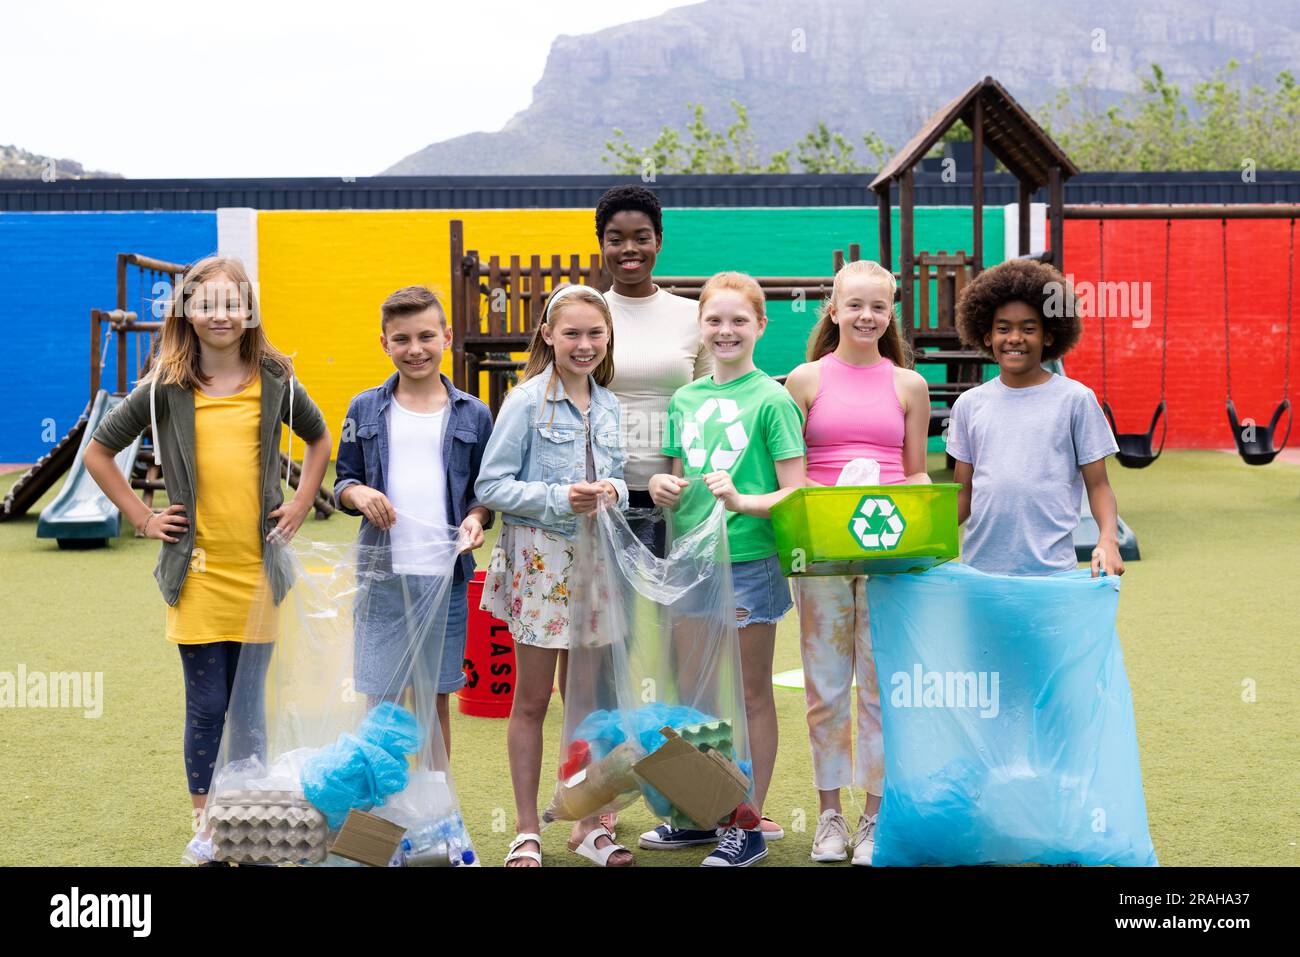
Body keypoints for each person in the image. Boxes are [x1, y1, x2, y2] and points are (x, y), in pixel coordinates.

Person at [83, 255, 331, 865]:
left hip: (258, 572)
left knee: (249, 707)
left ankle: (245, 818)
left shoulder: (275, 378)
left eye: (233, 302)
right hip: (196, 575)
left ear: (249, 311)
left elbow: (320, 437)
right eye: (206, 302)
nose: (221, 314)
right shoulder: (165, 385)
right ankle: (205, 824)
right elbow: (99, 451)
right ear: (186, 312)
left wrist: (301, 503)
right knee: (207, 706)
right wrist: (143, 519)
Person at [646, 271, 806, 866]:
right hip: (690, 563)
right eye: (715, 319)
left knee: (749, 693)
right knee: (694, 692)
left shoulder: (774, 399)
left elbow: (795, 491)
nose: (726, 330)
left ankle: (749, 823)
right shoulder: (685, 399)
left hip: (748, 564)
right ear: (701, 327)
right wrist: (660, 486)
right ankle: (702, 812)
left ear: (761, 325)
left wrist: (742, 502)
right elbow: (674, 477)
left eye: (740, 320)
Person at [475, 283, 632, 867]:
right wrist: (560, 496)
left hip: (599, 565)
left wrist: (612, 489)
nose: (584, 344)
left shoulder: (611, 404)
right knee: (533, 700)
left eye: (595, 333)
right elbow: (490, 487)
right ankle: (525, 829)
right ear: (548, 335)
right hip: (541, 564)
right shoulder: (525, 402)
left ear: (608, 336)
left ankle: (589, 825)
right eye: (572, 333)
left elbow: (617, 476)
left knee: (591, 703)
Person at [784, 259, 932, 865]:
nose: (867, 316)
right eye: (855, 305)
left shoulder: (909, 386)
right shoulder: (803, 381)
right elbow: (788, 473)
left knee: (877, 687)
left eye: (879, 306)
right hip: (819, 553)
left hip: (888, 552)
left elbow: (918, 469)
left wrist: (928, 538)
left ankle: (874, 820)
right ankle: (829, 817)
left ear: (891, 311)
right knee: (824, 688)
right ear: (834, 309)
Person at [333, 285, 493, 757]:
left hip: (446, 578)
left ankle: (434, 814)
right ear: (385, 343)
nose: (415, 349)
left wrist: (477, 519)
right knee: (381, 700)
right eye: (401, 339)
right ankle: (380, 815)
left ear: (446, 337)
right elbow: (344, 481)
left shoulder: (475, 413)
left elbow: (484, 495)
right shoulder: (365, 408)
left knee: (433, 699)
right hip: (382, 575)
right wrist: (359, 493)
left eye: (426, 336)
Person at [947, 258, 1125, 578]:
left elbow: (1098, 486)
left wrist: (1108, 540)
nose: (1015, 338)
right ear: (987, 336)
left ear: (1048, 336)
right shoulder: (968, 405)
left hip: (1052, 571)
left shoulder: (1075, 401)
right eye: (1003, 328)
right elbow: (963, 494)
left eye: (1028, 329)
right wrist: (919, 545)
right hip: (981, 573)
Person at [596, 185, 712, 556]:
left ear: (658, 241)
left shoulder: (692, 315)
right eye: (616, 239)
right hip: (603, 491)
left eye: (641, 238)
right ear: (601, 245)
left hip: (678, 493)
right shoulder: (588, 315)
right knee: (612, 612)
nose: (629, 248)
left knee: (676, 610)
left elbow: (710, 401)